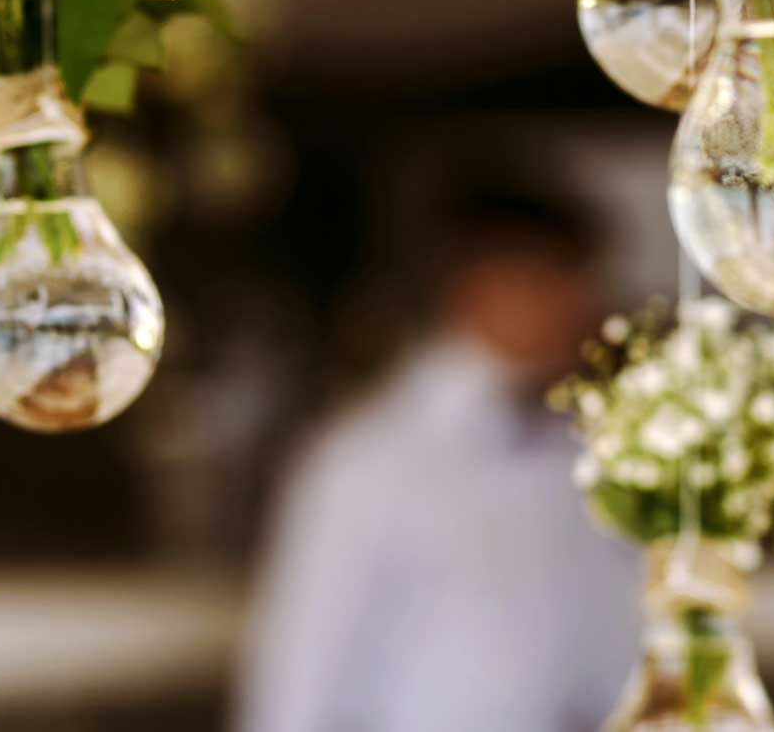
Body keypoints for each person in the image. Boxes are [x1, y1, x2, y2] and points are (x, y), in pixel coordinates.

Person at [234, 190, 642, 732]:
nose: (586, 305)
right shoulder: (363, 462)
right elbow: (297, 686)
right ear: (477, 285)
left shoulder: (579, 446)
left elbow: (606, 652)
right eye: (560, 279)